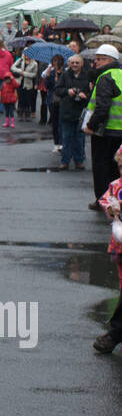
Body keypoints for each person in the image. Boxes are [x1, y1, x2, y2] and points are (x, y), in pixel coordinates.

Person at [84, 44, 122, 210]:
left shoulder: (105, 77)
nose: (95, 62)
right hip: (119, 131)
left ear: (109, 60)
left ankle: (102, 200)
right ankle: (116, 198)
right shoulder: (120, 74)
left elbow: (102, 107)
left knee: (101, 167)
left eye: (99, 59)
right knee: (116, 168)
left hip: (105, 131)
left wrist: (90, 126)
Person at [94, 144, 122, 353]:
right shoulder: (116, 185)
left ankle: (114, 334)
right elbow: (104, 200)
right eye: (120, 167)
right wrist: (111, 209)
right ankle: (114, 334)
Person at [54, 53, 90, 169]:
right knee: (66, 137)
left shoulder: (87, 76)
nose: (74, 65)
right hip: (67, 111)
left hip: (81, 112)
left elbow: (93, 92)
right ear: (69, 63)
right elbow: (57, 90)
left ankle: (79, 161)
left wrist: (86, 95)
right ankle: (65, 161)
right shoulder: (65, 75)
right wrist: (67, 91)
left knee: (79, 139)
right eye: (72, 62)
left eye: (77, 63)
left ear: (82, 64)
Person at [11, 52, 38, 120]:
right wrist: (20, 71)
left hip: (28, 84)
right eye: (25, 54)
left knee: (27, 100)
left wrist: (25, 74)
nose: (26, 56)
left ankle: (27, 115)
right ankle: (20, 114)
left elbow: (34, 74)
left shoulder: (34, 63)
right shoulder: (20, 60)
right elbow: (12, 67)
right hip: (20, 83)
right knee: (20, 99)